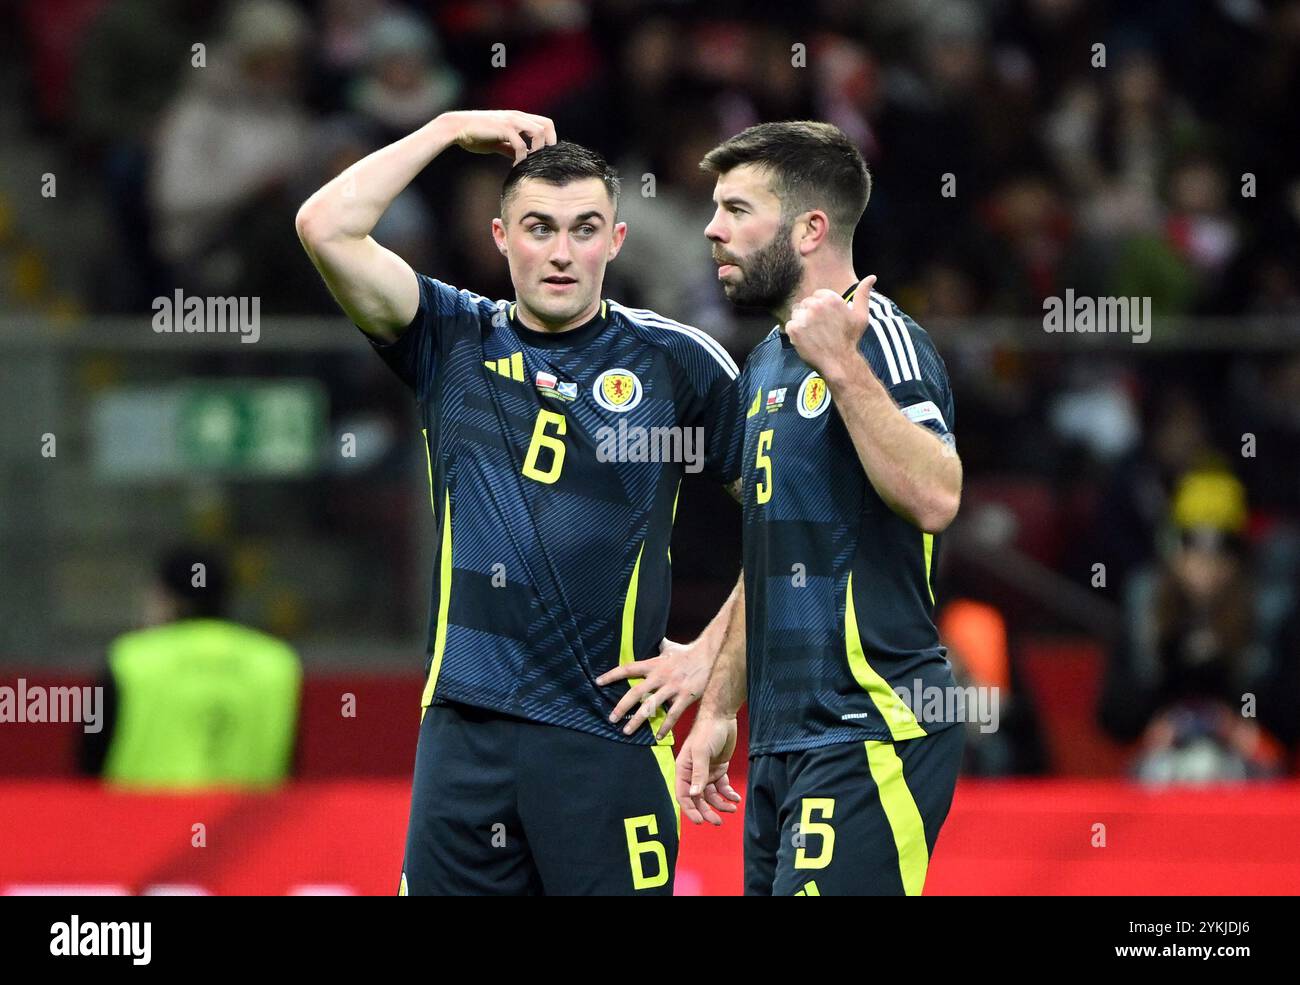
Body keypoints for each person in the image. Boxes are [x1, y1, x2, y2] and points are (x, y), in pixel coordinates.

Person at [295, 111, 744, 895]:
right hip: (464, 736)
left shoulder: (678, 362)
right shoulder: (451, 336)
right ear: (501, 237)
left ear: (617, 240)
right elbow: (325, 225)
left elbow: (798, 515)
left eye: (584, 228)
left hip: (605, 739)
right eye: (538, 227)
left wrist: (711, 658)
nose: (562, 252)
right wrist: (444, 129)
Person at [676, 121, 965, 895]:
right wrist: (719, 707)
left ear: (810, 229)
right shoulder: (764, 361)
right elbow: (766, 555)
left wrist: (841, 365)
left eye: (737, 209)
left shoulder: (882, 340)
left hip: (873, 726)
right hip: (783, 738)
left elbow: (938, 496)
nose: (713, 228)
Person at [80, 547, 300, 790]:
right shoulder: (277, 663)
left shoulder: (128, 660)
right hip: (248, 825)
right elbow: (289, 761)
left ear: (167, 598)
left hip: (141, 823)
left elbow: (89, 762)